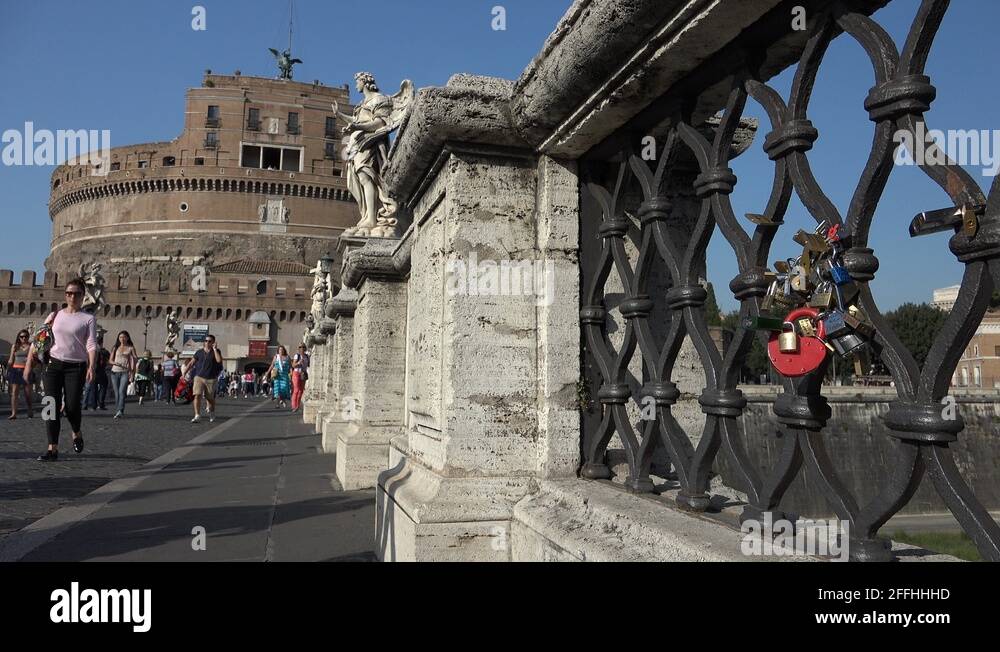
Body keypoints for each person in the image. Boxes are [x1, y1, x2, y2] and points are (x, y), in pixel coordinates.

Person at [24, 278, 96, 461]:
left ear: (82, 296)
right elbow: (38, 339)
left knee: (72, 407)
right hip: (52, 365)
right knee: (50, 406)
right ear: (65, 295)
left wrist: (91, 366)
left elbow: (91, 344)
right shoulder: (55, 315)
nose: (72, 296)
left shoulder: (88, 319)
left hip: (76, 367)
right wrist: (27, 365)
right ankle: (52, 448)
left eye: (76, 293)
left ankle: (76, 432)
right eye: (69, 293)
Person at [183, 334, 222, 423]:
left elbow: (219, 361)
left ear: (213, 343)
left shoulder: (216, 351)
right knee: (197, 395)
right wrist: (185, 372)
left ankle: (212, 412)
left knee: (210, 398)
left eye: (209, 341)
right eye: (206, 341)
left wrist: (215, 349)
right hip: (199, 377)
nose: (207, 342)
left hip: (211, 378)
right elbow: (191, 363)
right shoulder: (199, 352)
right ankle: (197, 415)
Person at [7, 329, 37, 419]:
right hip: (15, 370)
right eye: (21, 336)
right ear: (19, 337)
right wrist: (8, 368)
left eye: (25, 336)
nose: (23, 338)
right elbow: (11, 359)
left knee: (27, 394)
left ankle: (30, 409)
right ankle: (14, 413)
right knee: (14, 393)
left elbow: (35, 362)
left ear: (28, 337)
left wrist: (32, 361)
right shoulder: (15, 346)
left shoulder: (32, 346)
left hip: (26, 371)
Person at [109, 331, 137, 419]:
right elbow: (110, 360)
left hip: (125, 372)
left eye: (124, 337)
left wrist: (132, 371)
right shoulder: (115, 347)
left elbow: (135, 358)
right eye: (120, 337)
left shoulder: (131, 348)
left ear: (127, 338)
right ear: (118, 338)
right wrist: (116, 363)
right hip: (114, 372)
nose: (122, 339)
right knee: (117, 393)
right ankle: (118, 410)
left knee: (121, 391)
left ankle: (120, 410)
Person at [291, 344, 310, 412]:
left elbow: (308, 365)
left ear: (305, 348)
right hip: (296, 373)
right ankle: (294, 406)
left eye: (303, 347)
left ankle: (298, 405)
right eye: (300, 347)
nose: (302, 348)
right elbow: (293, 365)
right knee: (296, 390)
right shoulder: (297, 356)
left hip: (303, 374)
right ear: (298, 348)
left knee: (301, 390)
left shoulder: (307, 356)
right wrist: (299, 362)